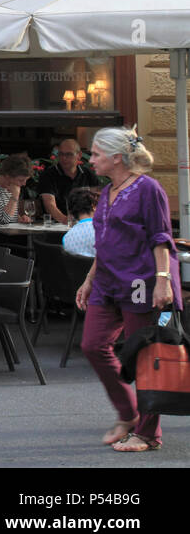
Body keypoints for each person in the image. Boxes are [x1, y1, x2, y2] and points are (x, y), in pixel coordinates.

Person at [76, 127, 182, 452]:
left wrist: (163, 280)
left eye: (95, 154)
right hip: (107, 282)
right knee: (93, 345)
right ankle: (129, 413)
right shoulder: (108, 190)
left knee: (146, 357)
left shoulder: (148, 189)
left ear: (117, 157)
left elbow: (160, 237)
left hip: (141, 282)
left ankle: (149, 434)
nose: (90, 159)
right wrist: (89, 278)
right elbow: (105, 241)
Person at [38, 139, 100, 224]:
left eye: (69, 154)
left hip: (84, 224)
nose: (64, 158)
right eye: (61, 154)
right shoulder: (48, 175)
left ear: (79, 155)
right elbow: (49, 205)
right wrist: (66, 220)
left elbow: (99, 202)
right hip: (56, 226)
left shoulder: (88, 174)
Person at [62, 188, 98, 258]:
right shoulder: (103, 231)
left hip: (76, 268)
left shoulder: (66, 237)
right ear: (93, 206)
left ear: (71, 212)